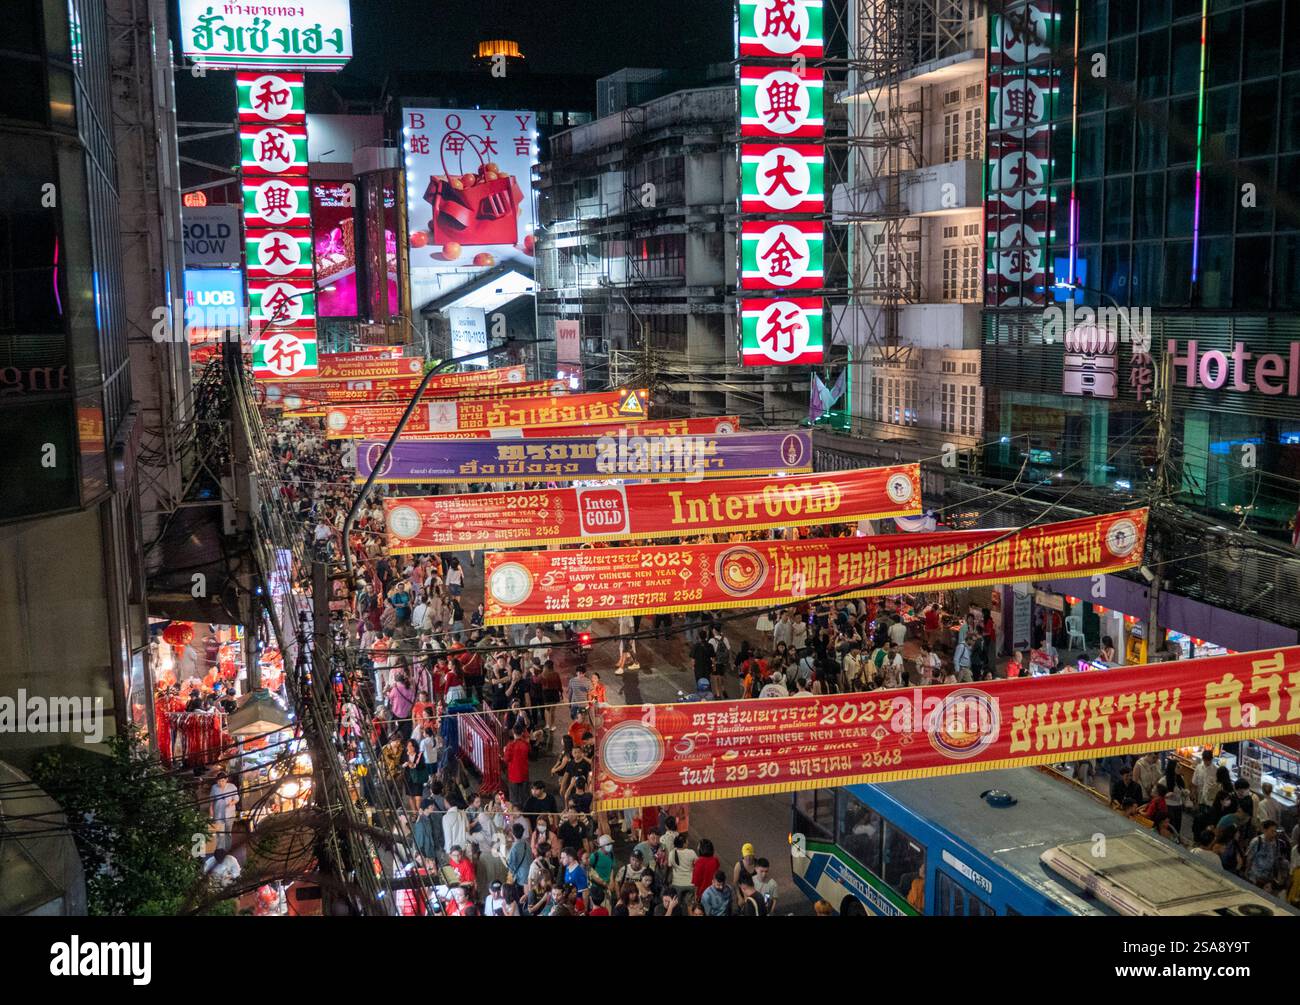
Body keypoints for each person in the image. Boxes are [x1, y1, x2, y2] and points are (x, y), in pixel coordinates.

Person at [1245, 821, 1284, 891]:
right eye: (1272, 831)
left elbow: (1276, 859)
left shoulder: (1276, 843)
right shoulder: (1256, 842)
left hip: (1268, 880)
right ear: (1265, 830)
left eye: (1275, 831)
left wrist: (1278, 875)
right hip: (1255, 878)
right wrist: (1246, 873)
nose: (1274, 834)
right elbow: (1249, 858)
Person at [209, 770, 239, 852]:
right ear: (216, 781)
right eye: (219, 781)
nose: (220, 783)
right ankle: (220, 849)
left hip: (229, 813)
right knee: (219, 832)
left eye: (222, 781)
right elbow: (211, 800)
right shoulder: (214, 788)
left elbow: (236, 799)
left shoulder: (232, 787)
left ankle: (228, 849)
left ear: (226, 780)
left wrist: (231, 803)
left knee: (228, 832)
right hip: (218, 813)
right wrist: (211, 809)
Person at [503, 727, 531, 810]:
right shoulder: (526, 744)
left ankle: (515, 814)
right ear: (522, 733)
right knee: (525, 795)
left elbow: (506, 759)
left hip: (513, 775)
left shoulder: (510, 745)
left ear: (513, 733)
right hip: (524, 773)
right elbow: (529, 753)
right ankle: (526, 811)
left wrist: (505, 751)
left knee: (514, 797)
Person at [667, 833, 698, 905]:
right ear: (684, 844)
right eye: (687, 841)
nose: (688, 842)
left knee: (677, 905)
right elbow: (697, 864)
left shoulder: (671, 853)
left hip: (676, 884)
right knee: (690, 904)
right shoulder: (691, 852)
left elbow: (669, 866)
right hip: (690, 883)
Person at [691, 838, 721, 903]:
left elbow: (696, 882)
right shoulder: (715, 860)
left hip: (703, 893)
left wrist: (696, 895)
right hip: (714, 891)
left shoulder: (698, 862)